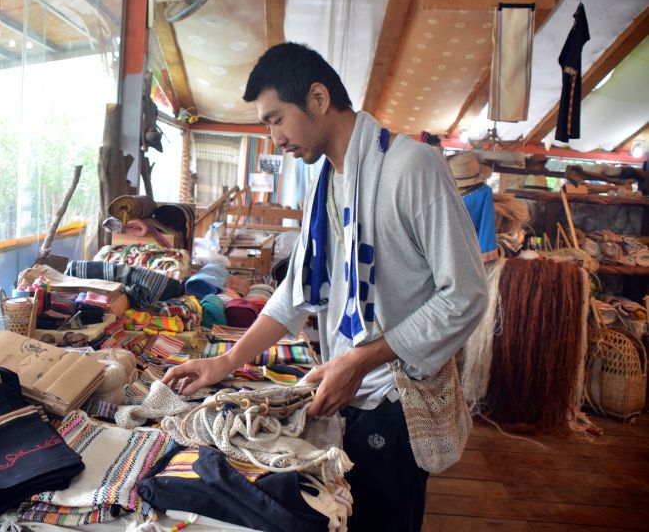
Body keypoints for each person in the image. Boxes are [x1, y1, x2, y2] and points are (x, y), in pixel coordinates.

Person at [162, 42, 488, 532]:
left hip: (396, 401)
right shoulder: (328, 182)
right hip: (349, 393)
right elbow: (295, 292)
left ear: (317, 98)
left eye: (275, 119)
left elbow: (466, 294)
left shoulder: (411, 167)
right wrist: (227, 361)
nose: (274, 140)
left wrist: (360, 360)